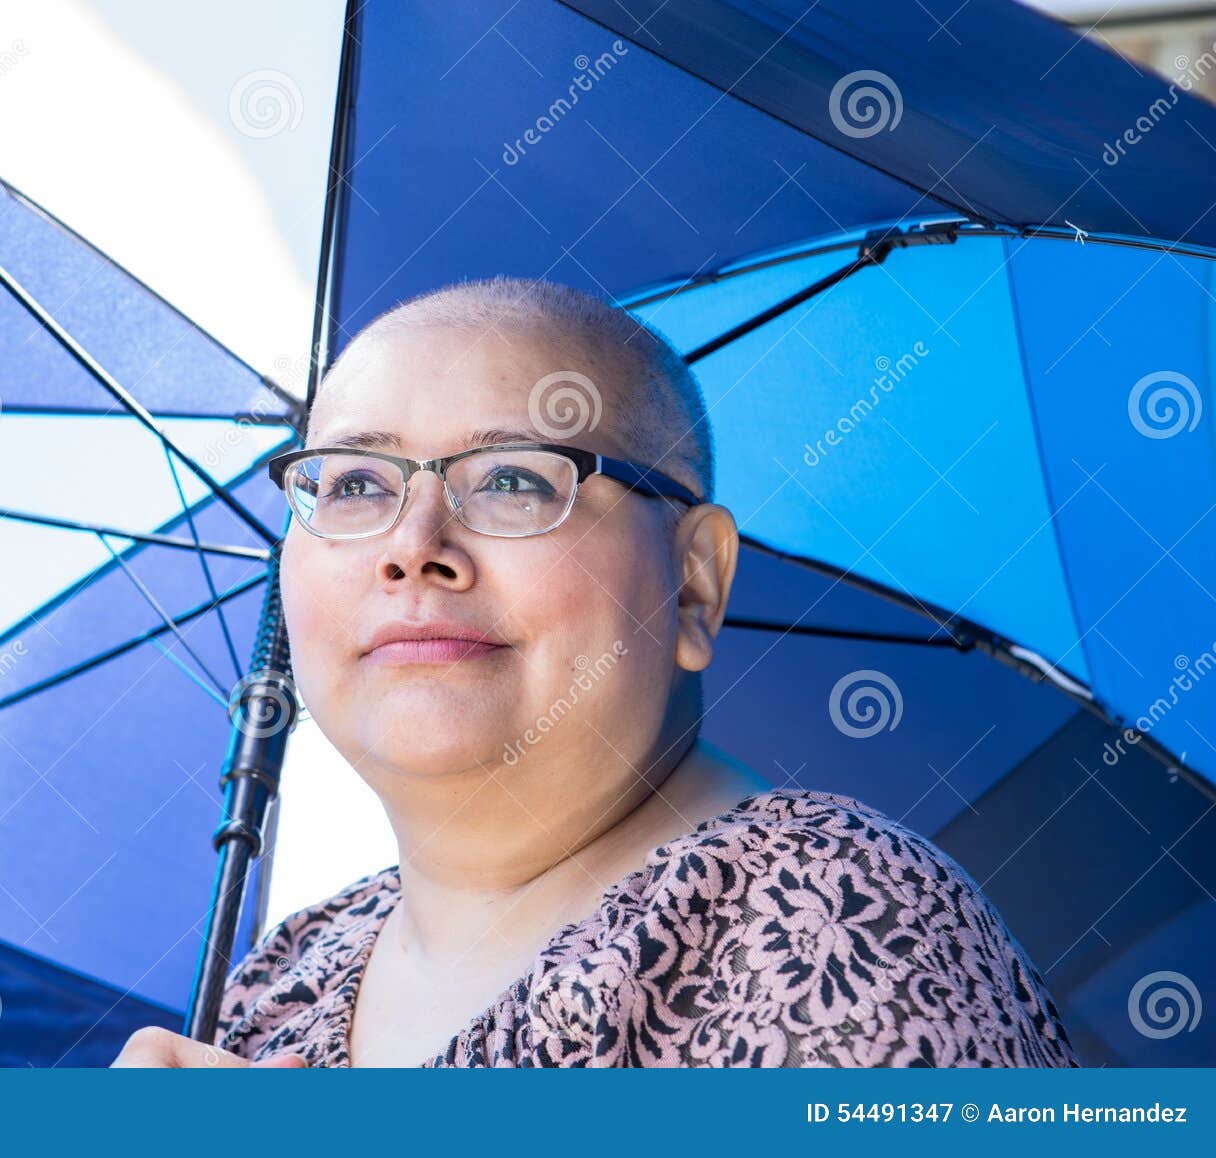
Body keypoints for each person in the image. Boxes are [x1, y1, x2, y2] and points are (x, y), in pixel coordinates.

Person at [111, 276, 1080, 1069]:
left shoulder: (829, 916)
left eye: (514, 479)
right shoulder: (289, 974)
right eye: (355, 484)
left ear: (694, 582)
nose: (412, 547)